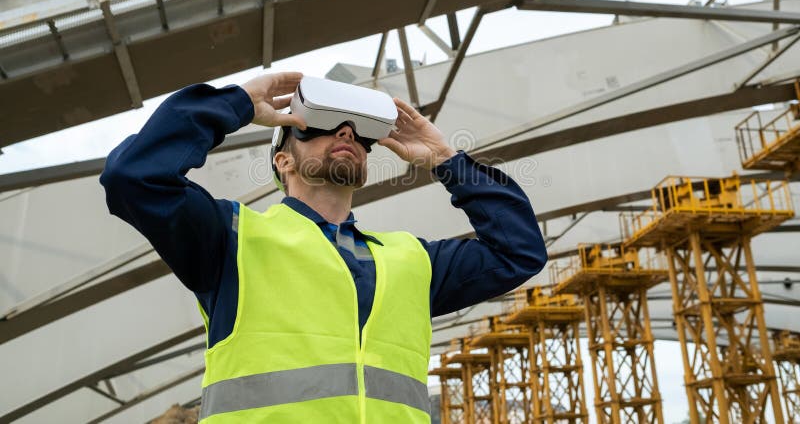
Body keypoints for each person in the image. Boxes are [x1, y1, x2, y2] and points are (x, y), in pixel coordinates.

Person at [100, 71, 547, 423]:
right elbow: (134, 176)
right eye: (322, 126)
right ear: (283, 160)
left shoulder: (410, 261)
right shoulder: (230, 239)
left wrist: (446, 161)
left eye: (358, 132)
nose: (347, 133)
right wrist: (236, 103)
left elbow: (517, 251)